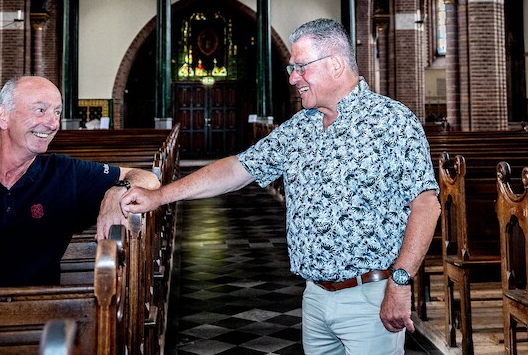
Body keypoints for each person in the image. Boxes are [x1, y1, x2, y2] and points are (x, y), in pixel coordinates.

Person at [122, 18, 440, 354]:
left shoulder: (392, 121)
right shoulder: (301, 128)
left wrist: (401, 282)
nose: (292, 78)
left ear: (335, 64)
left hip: (369, 297)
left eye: (301, 67)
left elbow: (426, 204)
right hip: (315, 297)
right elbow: (237, 169)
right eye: (292, 68)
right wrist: (160, 196)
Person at [0, 75, 159, 291]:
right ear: (3, 116)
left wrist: (116, 191)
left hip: (38, 325)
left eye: (57, 112)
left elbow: (149, 179)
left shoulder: (65, 173)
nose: (52, 123)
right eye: (40, 110)